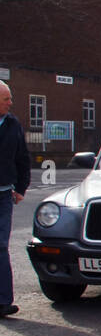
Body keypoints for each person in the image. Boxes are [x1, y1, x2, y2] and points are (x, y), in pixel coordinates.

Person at [0, 82, 31, 317]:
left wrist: (21, 188)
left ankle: (3, 301)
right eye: (6, 99)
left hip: (3, 194)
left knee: (1, 246)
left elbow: (22, 157)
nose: (10, 103)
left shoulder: (13, 124)